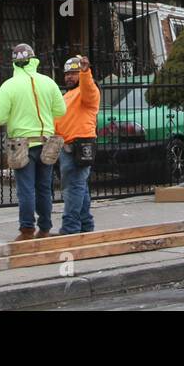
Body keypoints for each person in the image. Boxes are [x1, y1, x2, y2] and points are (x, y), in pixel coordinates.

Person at [0, 43, 66, 240]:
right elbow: (61, 111)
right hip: (47, 142)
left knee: (26, 189)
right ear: (33, 60)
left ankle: (26, 230)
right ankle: (45, 228)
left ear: (14, 63)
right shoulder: (48, 82)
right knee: (44, 187)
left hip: (21, 143)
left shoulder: (9, 86)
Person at [54, 55, 100, 235]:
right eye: (66, 74)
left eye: (73, 73)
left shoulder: (87, 91)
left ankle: (70, 226)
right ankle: (86, 224)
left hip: (81, 145)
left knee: (74, 187)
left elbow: (89, 88)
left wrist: (85, 72)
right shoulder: (68, 95)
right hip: (67, 145)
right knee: (79, 186)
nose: (68, 77)